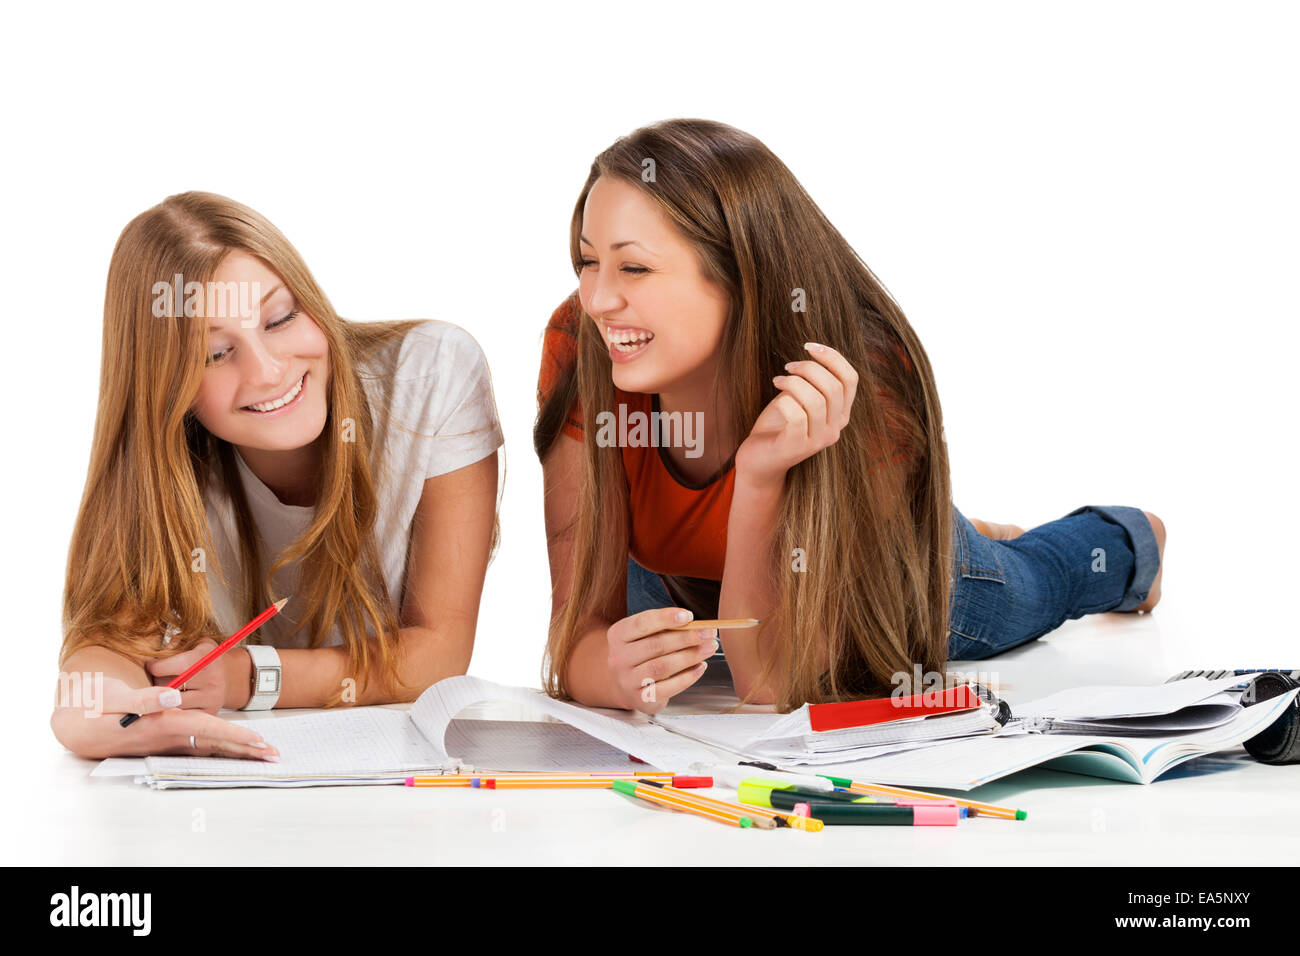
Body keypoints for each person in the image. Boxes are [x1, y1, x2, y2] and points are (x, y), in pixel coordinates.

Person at [534, 118, 1165, 715]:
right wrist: (611, 676)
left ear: (739, 275)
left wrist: (758, 476)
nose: (597, 298)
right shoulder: (584, 343)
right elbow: (575, 639)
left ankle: (1126, 542)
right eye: (588, 260)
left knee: (1029, 587)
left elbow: (769, 686)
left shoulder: (865, 370)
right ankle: (961, 524)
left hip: (861, 571)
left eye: (634, 267)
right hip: (677, 580)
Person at [53, 191, 502, 759]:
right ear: (168, 387)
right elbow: (108, 642)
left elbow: (440, 653)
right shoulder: (166, 466)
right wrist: (94, 710)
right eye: (216, 353)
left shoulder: (432, 374)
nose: (267, 371)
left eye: (281, 317)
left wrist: (246, 676)